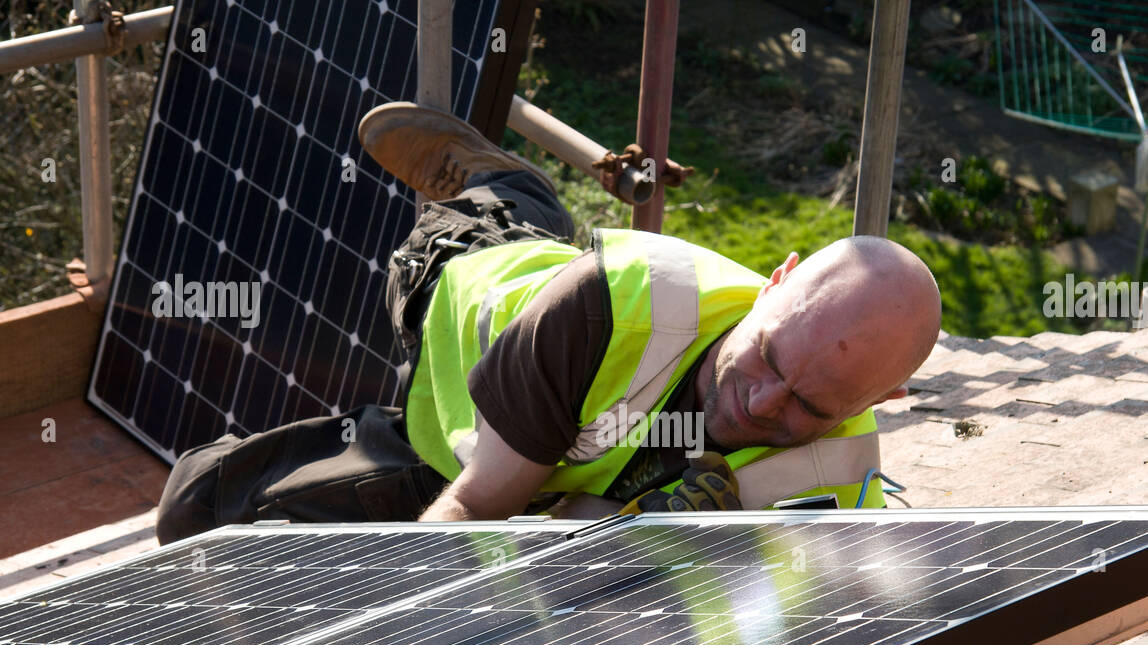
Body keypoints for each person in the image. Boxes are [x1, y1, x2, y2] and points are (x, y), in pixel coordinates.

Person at [155, 103, 942, 544]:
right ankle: (506, 189)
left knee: (201, 512)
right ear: (776, 282)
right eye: (769, 359)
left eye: (810, 406)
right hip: (477, 329)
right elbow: (472, 512)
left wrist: (632, 544)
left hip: (548, 468)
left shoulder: (837, 473)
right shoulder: (607, 307)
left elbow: (761, 628)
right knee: (197, 510)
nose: (764, 407)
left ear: (888, 396)